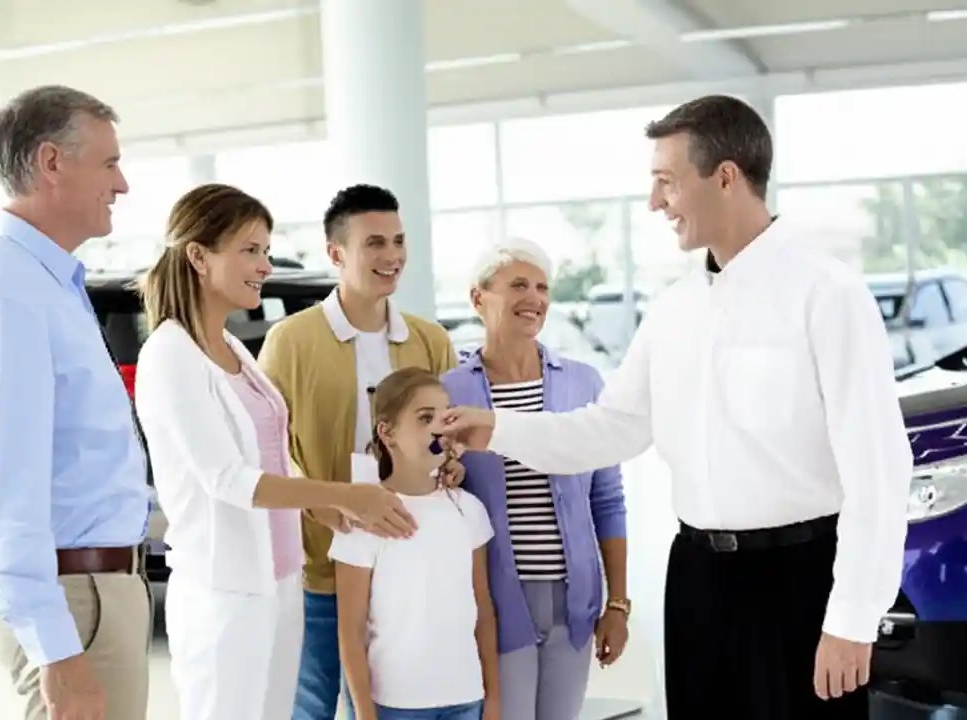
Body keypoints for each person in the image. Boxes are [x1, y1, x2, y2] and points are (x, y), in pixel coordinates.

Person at [439, 94, 914, 720]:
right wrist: (494, 429)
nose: (654, 202)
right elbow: (609, 429)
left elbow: (878, 469)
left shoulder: (827, 293)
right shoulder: (674, 310)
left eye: (666, 181)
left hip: (799, 581)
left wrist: (853, 617)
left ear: (725, 177)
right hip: (698, 582)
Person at [132, 183, 420, 720]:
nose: (265, 265)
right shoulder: (169, 354)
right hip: (226, 595)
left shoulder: (233, 346)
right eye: (250, 250)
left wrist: (316, 505)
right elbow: (229, 478)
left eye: (266, 251)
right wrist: (346, 494)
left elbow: (273, 456)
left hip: (280, 582)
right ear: (198, 256)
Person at [0, 85, 152, 720]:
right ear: (53, 162)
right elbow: (8, 487)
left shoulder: (45, 281)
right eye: (109, 163)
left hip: (96, 593)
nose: (123, 184)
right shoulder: (6, 290)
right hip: (72, 602)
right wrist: (57, 653)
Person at [257, 184, 461, 720]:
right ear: (336, 253)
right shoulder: (290, 341)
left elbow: (448, 437)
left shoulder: (430, 340)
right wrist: (320, 505)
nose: (392, 256)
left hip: (408, 573)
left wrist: (453, 461)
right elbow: (271, 446)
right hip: (325, 568)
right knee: (311, 707)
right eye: (375, 243)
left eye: (398, 241)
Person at [441, 237, 629, 720]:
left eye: (543, 287)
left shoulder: (583, 382)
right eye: (518, 284)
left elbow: (607, 500)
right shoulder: (449, 390)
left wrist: (618, 604)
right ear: (478, 298)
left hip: (575, 601)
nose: (535, 297)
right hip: (495, 601)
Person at [332, 367, 498, 720]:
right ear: (387, 433)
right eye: (425, 418)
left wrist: (493, 697)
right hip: (395, 704)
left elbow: (483, 608)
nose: (441, 428)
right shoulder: (364, 521)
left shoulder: (468, 510)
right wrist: (362, 711)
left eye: (446, 416)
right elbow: (350, 629)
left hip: (466, 697)